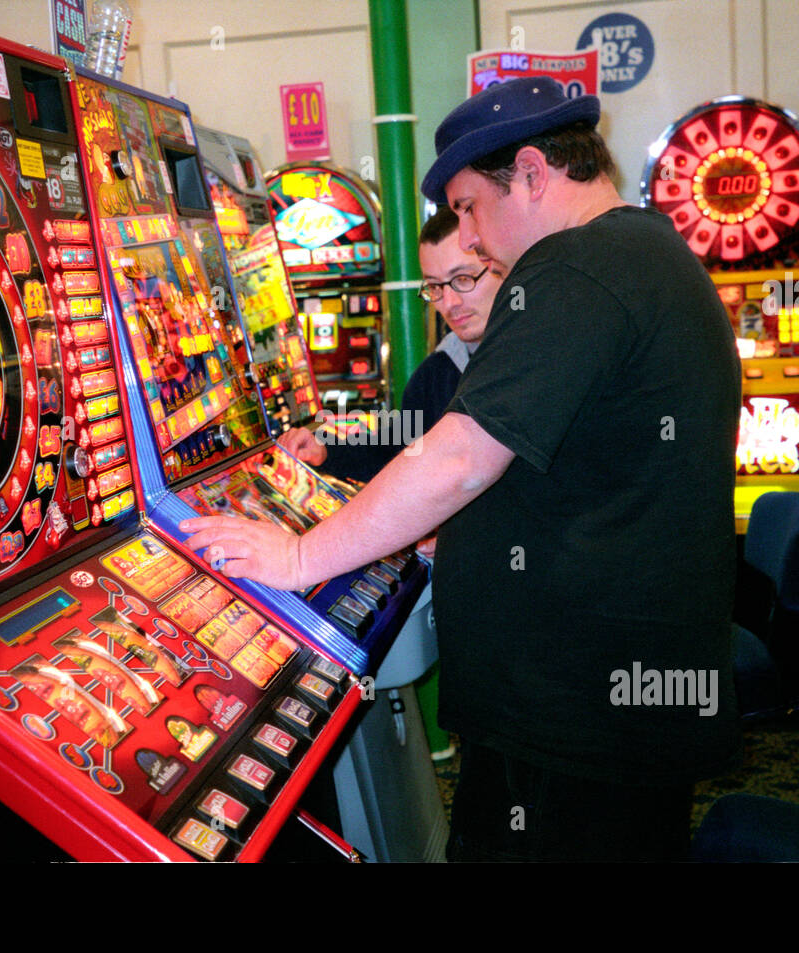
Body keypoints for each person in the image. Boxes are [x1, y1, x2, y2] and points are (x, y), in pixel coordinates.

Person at [183, 78, 742, 861]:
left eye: (472, 206)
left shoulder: (577, 267)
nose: (473, 237)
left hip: (576, 716)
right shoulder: (642, 253)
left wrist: (300, 554)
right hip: (609, 699)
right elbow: (584, 465)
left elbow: (458, 456)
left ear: (534, 173)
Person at [278, 205, 501, 557]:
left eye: (462, 279)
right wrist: (326, 449)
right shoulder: (436, 374)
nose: (449, 302)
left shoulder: (541, 354)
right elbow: (403, 447)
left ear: (500, 265)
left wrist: (471, 535)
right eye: (435, 288)